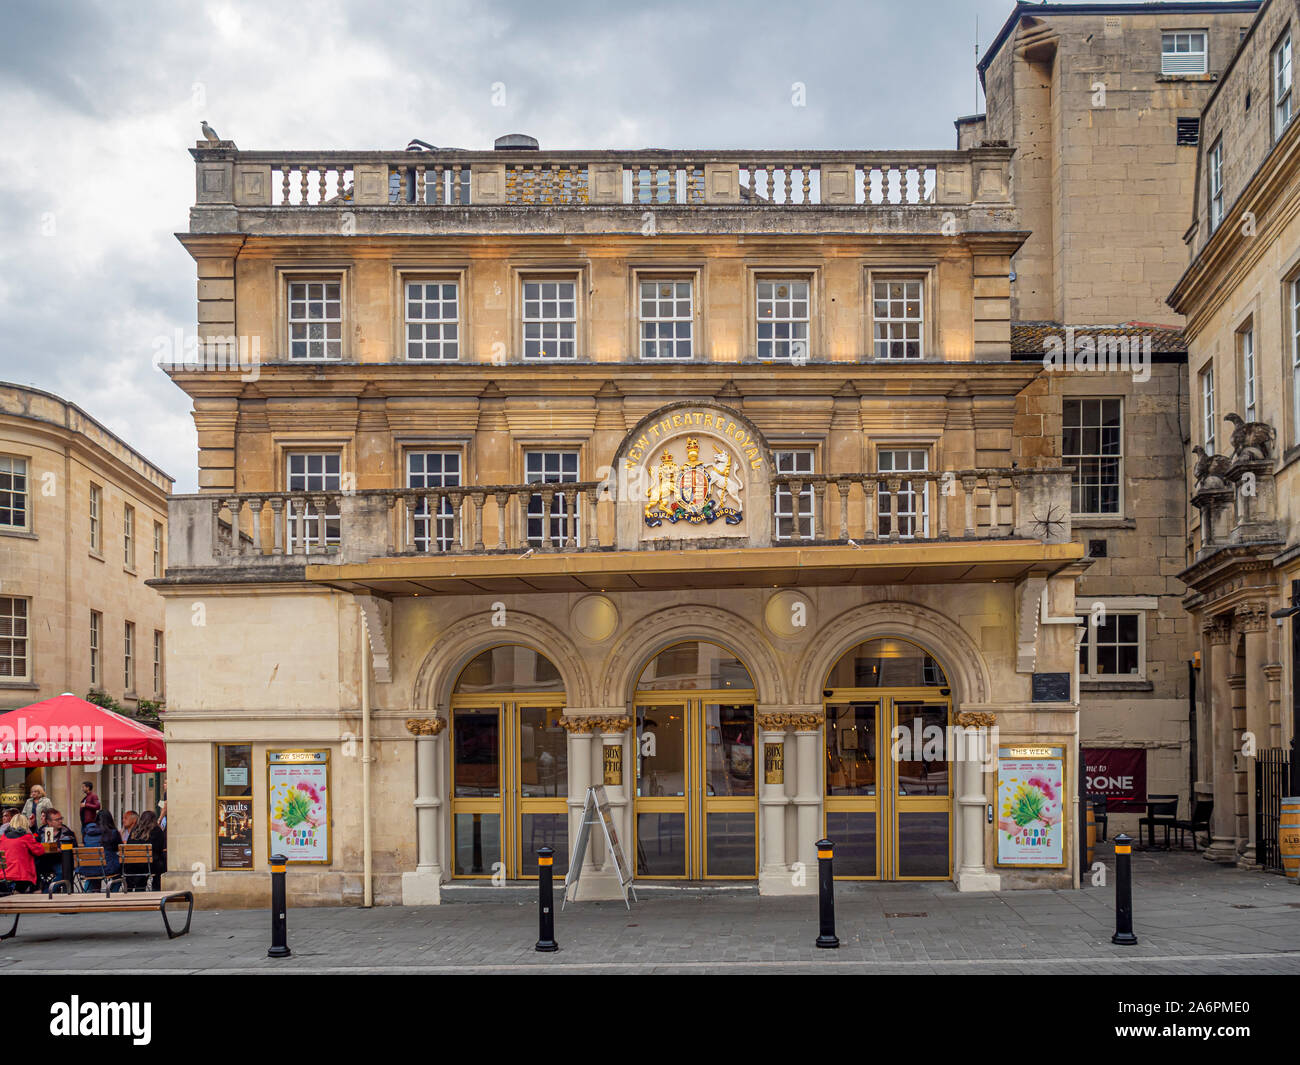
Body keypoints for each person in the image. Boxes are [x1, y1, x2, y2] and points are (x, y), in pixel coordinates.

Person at [0, 814, 46, 894]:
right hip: (22, 875)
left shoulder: (3, 837)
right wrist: (30, 834)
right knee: (37, 877)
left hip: (4, 872)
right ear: (25, 824)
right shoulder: (26, 837)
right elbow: (40, 851)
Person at [79, 810, 122, 891]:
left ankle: (87, 893)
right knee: (119, 872)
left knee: (94, 872)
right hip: (107, 867)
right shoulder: (112, 833)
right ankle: (113, 894)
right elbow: (118, 847)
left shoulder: (87, 833)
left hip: (88, 867)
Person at [36, 810, 78, 890]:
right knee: (33, 868)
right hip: (44, 860)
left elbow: (74, 847)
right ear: (49, 822)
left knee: (63, 873)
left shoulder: (67, 832)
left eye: (61, 818)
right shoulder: (41, 831)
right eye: (57, 820)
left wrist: (61, 849)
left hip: (60, 860)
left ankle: (47, 892)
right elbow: (35, 844)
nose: (60, 821)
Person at [124, 810, 165, 890]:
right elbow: (160, 849)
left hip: (132, 866)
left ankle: (139, 888)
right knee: (161, 864)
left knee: (142, 866)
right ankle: (156, 888)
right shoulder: (157, 831)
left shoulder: (134, 831)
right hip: (149, 866)